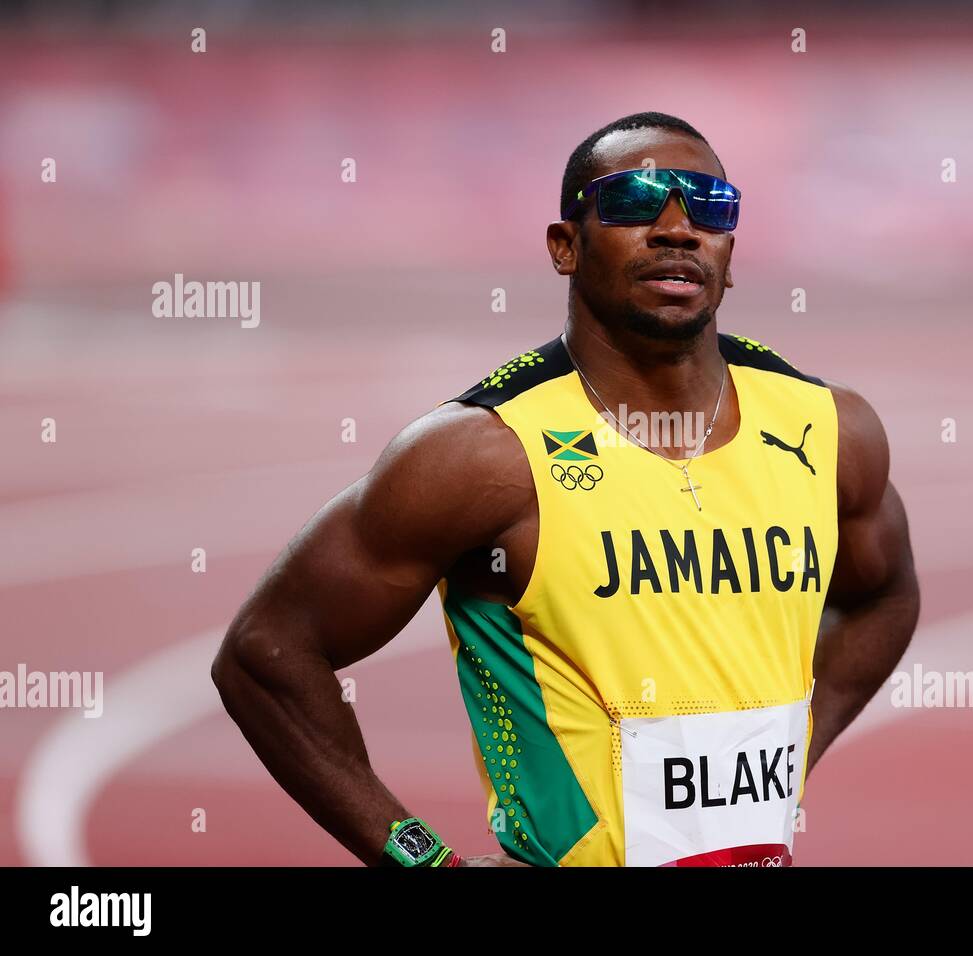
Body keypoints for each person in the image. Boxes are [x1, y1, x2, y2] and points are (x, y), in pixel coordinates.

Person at [212, 111, 920, 867]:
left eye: (709, 206)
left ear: (729, 252)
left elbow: (884, 594)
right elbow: (266, 652)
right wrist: (419, 861)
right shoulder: (482, 455)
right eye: (634, 200)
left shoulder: (829, 429)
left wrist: (788, 749)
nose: (677, 228)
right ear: (566, 246)